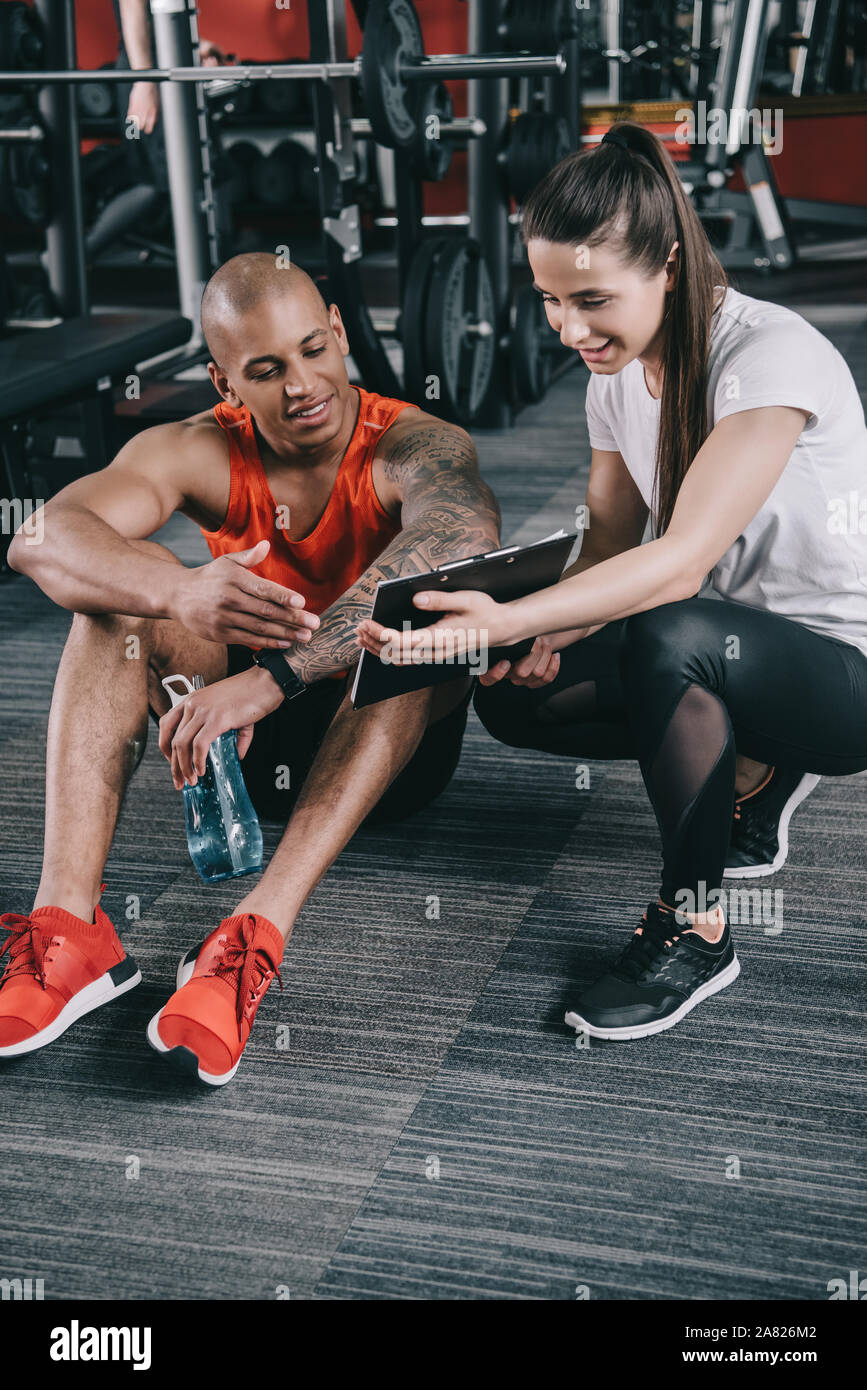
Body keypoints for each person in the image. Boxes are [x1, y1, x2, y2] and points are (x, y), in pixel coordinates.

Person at [359, 122, 867, 1042]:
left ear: (669, 264)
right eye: (550, 300)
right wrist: (523, 631)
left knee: (678, 634)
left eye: (591, 299)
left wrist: (504, 621)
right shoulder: (616, 376)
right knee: (516, 702)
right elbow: (607, 549)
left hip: (838, 676)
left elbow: (674, 561)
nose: (567, 328)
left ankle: (696, 923)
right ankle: (748, 780)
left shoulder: (771, 357)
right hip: (719, 644)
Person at [1, 253, 500, 1084]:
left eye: (312, 351)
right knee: (116, 606)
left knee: (411, 630)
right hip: (236, 753)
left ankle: (249, 938)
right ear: (224, 380)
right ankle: (71, 930)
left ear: (340, 333)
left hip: (383, 758)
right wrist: (179, 590)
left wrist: (278, 676)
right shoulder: (199, 448)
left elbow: (464, 540)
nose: (302, 385)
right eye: (266, 370)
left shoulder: (412, 440)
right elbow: (39, 537)